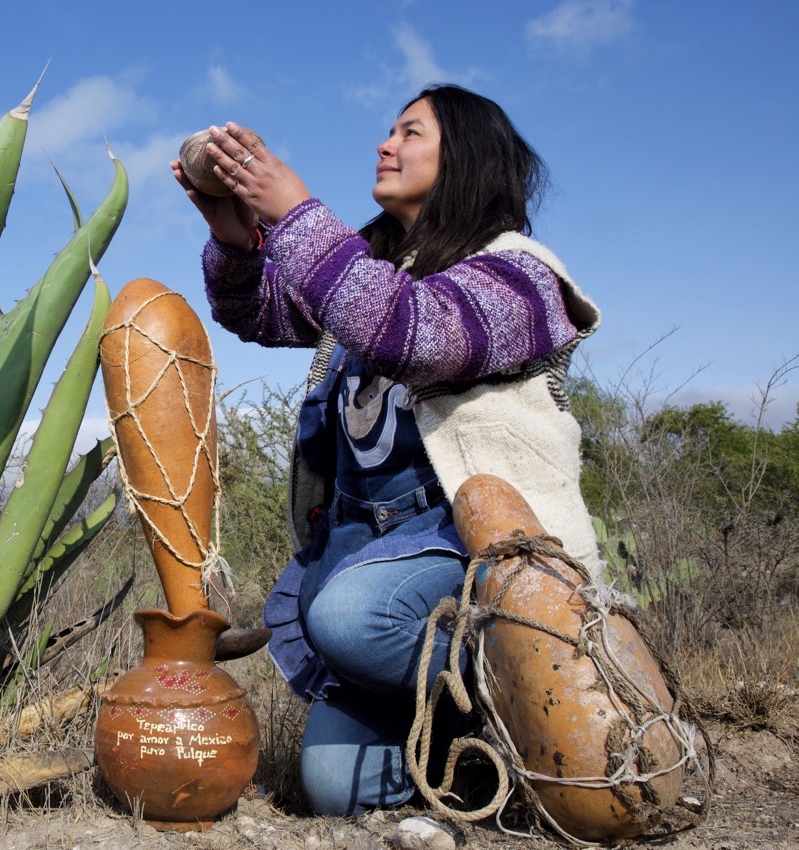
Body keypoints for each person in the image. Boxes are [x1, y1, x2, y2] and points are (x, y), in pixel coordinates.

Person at [171, 84, 604, 815]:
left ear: (466, 157)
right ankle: (470, 747)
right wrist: (239, 240)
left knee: (350, 619)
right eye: (390, 130)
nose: (385, 144)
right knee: (337, 789)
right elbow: (258, 313)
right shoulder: (379, 272)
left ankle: (545, 681)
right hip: (369, 553)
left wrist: (295, 213)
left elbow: (418, 334)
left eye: (411, 132)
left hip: (473, 551)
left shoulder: (519, 275)